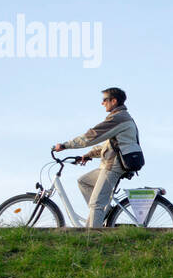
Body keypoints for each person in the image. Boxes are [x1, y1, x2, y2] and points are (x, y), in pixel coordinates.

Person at [54, 87, 143, 228]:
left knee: (96, 203)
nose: (102, 103)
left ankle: (93, 237)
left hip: (113, 166)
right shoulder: (119, 118)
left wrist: (65, 145)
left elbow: (91, 136)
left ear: (114, 101)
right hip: (109, 163)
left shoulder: (119, 118)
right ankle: (103, 211)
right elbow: (108, 145)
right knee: (84, 181)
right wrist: (88, 155)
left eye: (104, 100)